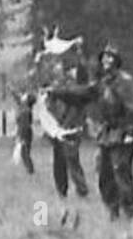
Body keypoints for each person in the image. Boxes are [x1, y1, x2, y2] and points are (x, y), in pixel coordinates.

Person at [41, 52, 97, 223]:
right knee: (59, 163)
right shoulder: (59, 88)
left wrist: (79, 53)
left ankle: (82, 190)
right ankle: (62, 190)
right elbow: (50, 104)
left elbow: (75, 89)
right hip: (59, 129)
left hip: (72, 129)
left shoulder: (78, 90)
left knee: (72, 160)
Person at [91, 45, 133, 219]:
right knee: (104, 173)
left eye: (109, 57)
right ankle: (112, 208)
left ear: (116, 60)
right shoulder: (103, 82)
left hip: (123, 131)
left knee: (121, 171)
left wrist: (131, 130)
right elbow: (86, 94)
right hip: (106, 132)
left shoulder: (126, 81)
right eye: (103, 58)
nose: (105, 61)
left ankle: (129, 209)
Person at [14, 92, 36, 175]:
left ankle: (30, 170)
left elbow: (24, 125)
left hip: (25, 132)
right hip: (26, 131)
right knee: (24, 152)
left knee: (24, 152)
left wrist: (21, 136)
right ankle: (29, 169)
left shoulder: (25, 111)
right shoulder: (25, 108)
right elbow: (17, 98)